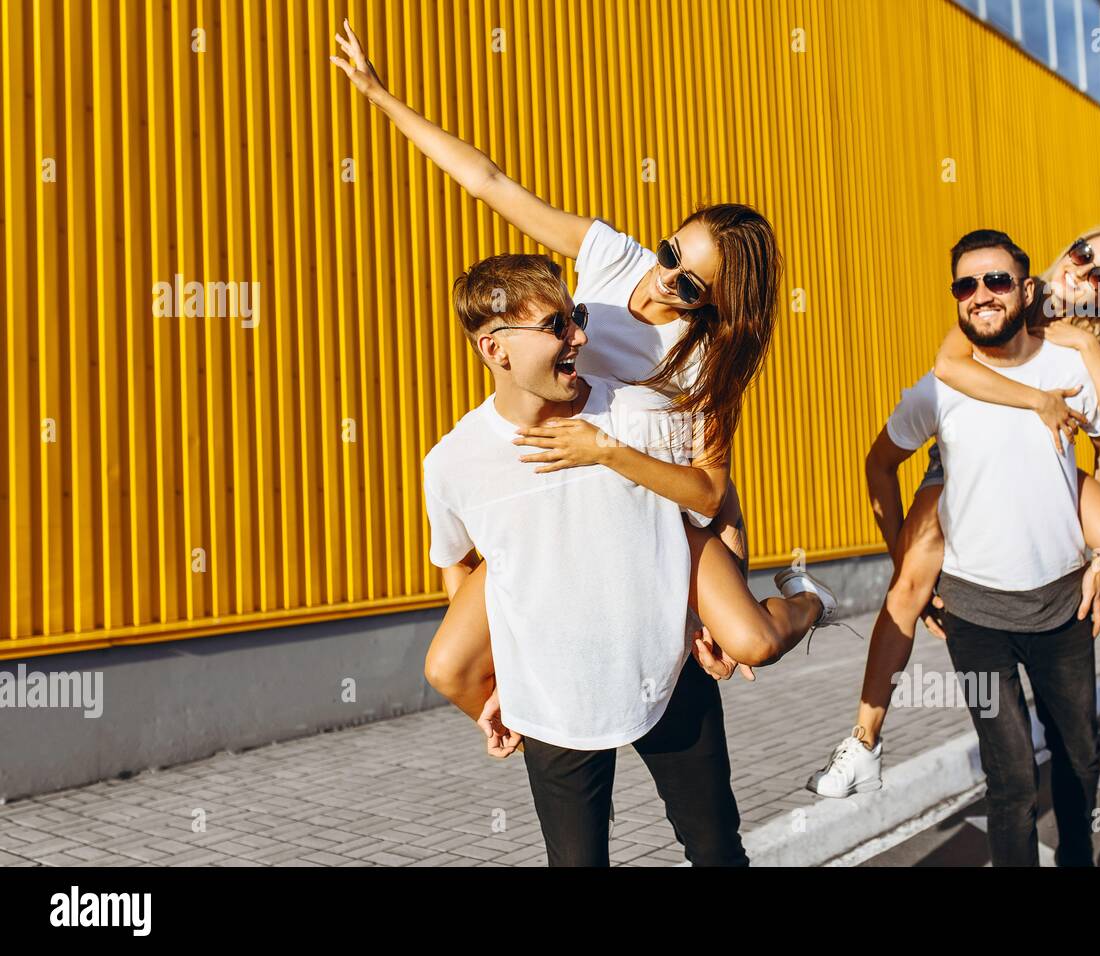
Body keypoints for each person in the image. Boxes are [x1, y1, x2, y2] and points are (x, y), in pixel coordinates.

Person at [331, 20, 843, 757]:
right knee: (447, 666)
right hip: (561, 496)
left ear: (718, 303)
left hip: (653, 501)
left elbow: (707, 495)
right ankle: (519, 713)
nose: (666, 279)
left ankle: (810, 600)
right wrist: (382, 98)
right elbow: (489, 181)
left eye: (691, 283)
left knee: (750, 642)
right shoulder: (611, 255)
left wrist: (614, 459)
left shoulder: (705, 365)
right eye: (672, 252)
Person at [424, 252, 837, 865]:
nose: (580, 337)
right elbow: (456, 563)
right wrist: (500, 673)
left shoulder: (638, 413)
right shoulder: (453, 462)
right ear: (495, 349)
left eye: (577, 316)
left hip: (668, 675)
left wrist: (724, 611)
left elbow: (714, 503)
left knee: (718, 852)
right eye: (557, 326)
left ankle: (811, 602)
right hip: (553, 704)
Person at [809, 226, 1100, 799]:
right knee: (908, 586)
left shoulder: (1081, 346)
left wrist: (1095, 557)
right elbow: (949, 369)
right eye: (1084, 253)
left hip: (1045, 467)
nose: (1084, 272)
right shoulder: (1006, 295)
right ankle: (864, 743)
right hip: (968, 458)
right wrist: (1039, 401)